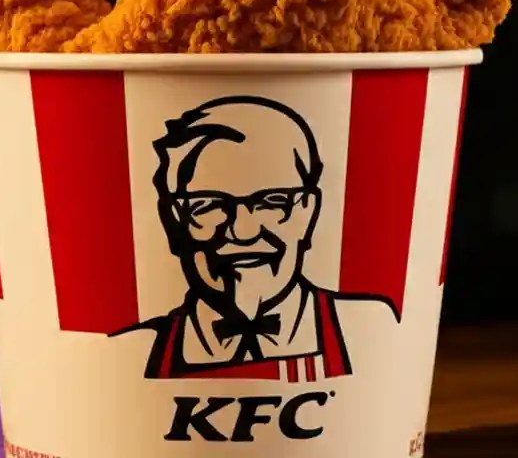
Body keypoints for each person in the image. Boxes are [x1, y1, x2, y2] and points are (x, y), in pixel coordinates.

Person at [114, 96, 397, 381]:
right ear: (173, 222)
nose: (243, 232)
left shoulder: (365, 327)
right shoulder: (132, 350)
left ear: (308, 212)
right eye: (208, 205)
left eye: (272, 201)